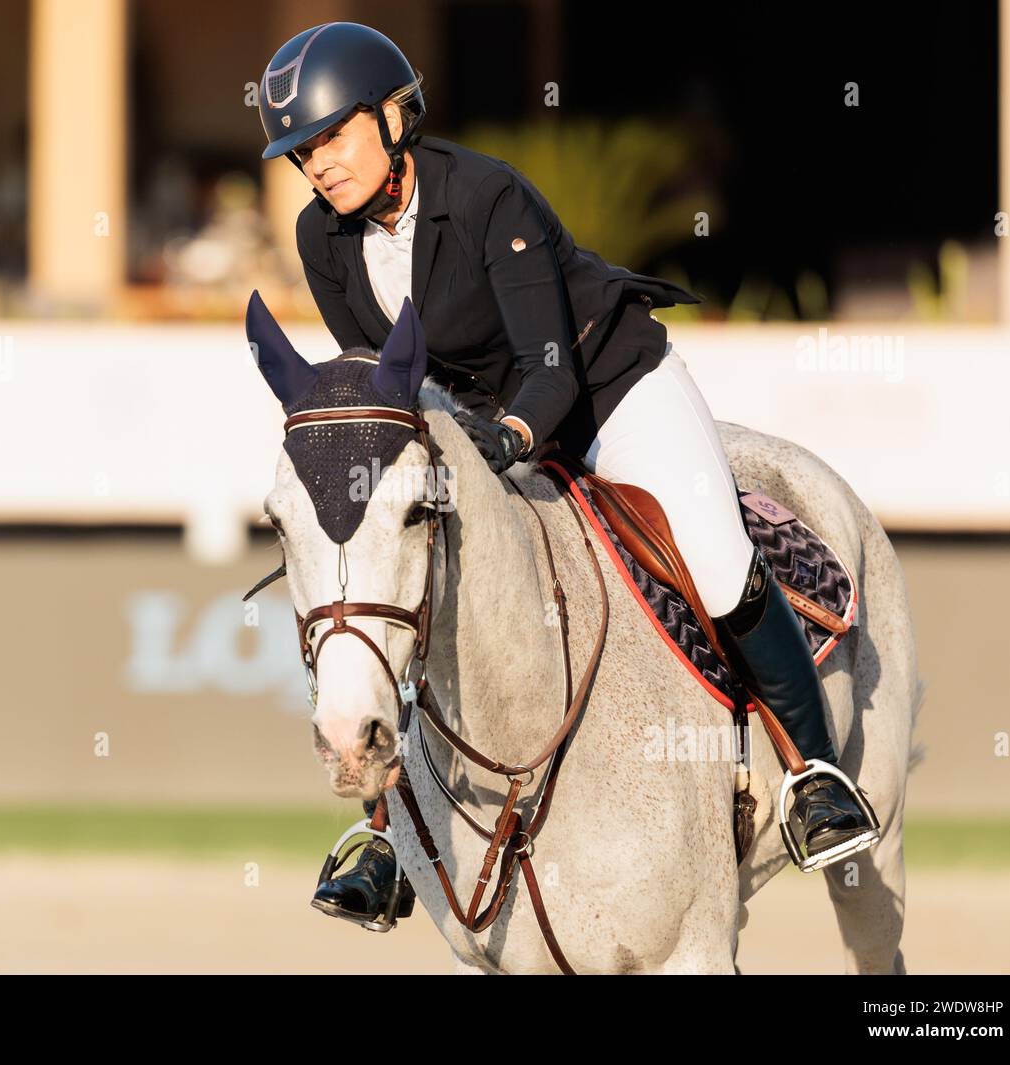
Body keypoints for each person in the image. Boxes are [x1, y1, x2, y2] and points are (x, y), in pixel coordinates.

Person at [256, 21, 879, 930]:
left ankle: (815, 770)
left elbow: (549, 367)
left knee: (709, 552)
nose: (317, 166)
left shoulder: (485, 197)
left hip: (607, 387)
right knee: (415, 586)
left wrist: (501, 444)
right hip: (483, 420)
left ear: (394, 118)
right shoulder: (323, 237)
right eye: (300, 153)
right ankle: (391, 830)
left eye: (331, 137)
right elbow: (388, 385)